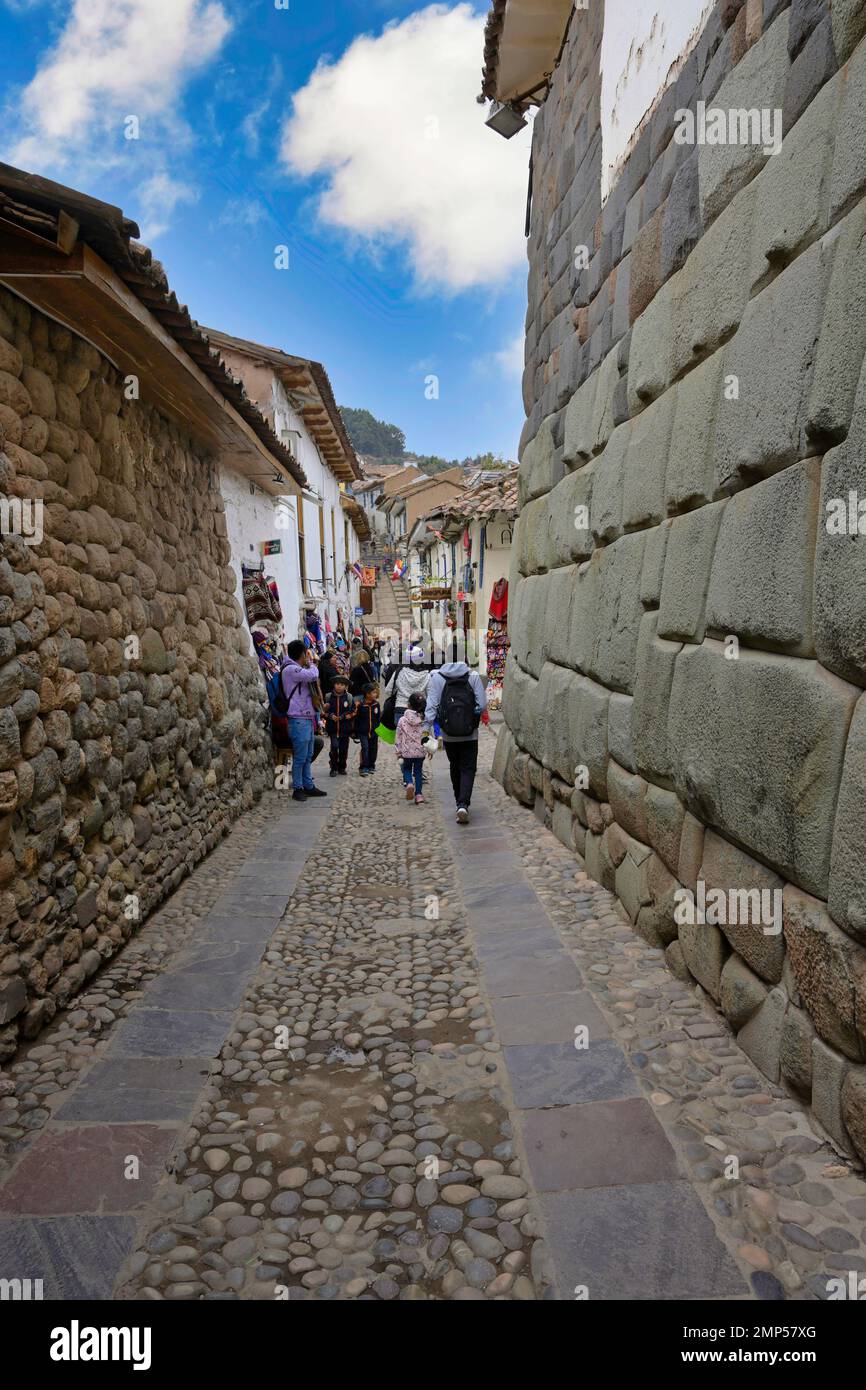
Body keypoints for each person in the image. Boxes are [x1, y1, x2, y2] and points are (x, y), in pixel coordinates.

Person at [424, 660, 487, 823]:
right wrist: (472, 715)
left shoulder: (437, 677)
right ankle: (463, 804)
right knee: (468, 767)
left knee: (455, 765)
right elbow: (482, 703)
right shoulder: (473, 676)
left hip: (448, 733)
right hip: (469, 733)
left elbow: (431, 705)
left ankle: (458, 800)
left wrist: (426, 728)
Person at [281, 639, 327, 803]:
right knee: (300, 756)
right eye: (305, 652)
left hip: (305, 717)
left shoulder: (296, 668)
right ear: (302, 653)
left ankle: (308, 785)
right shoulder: (291, 670)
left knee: (307, 755)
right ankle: (298, 788)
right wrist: (312, 662)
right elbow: (313, 674)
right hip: (297, 718)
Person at [395, 691, 430, 805]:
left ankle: (409, 783)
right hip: (420, 751)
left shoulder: (402, 720)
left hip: (407, 751)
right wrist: (430, 749)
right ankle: (419, 795)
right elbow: (427, 735)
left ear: (408, 704)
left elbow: (398, 737)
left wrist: (398, 751)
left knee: (406, 769)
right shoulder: (424, 720)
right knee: (418, 772)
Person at [383, 644, 431, 725]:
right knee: (417, 736)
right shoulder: (427, 676)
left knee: (400, 736)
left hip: (400, 709)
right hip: (419, 711)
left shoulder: (399, 672)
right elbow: (430, 696)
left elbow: (388, 690)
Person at [324, 673, 355, 776]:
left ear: (345, 686)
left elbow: (353, 711)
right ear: (334, 685)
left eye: (342, 684)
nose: (339, 686)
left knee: (343, 749)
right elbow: (322, 712)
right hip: (332, 728)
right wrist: (330, 716)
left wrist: (344, 716)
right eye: (337, 684)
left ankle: (342, 766)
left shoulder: (349, 697)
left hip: (345, 729)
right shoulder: (328, 697)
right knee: (334, 747)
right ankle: (333, 767)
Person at [356, 681, 381, 776]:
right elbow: (357, 719)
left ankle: (371, 765)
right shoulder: (361, 705)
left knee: (373, 749)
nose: (376, 694)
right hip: (363, 732)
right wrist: (356, 731)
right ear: (367, 694)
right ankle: (363, 767)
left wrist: (378, 729)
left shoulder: (376, 705)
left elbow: (378, 717)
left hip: (374, 731)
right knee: (365, 748)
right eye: (373, 692)